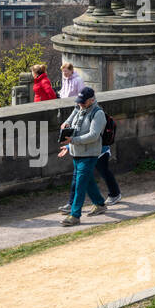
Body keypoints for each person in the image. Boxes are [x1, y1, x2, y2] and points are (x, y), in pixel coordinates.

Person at [56, 87, 108, 226]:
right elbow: (72, 123)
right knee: (87, 181)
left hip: (89, 154)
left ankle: (75, 215)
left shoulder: (98, 114)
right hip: (77, 152)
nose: (80, 104)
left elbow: (93, 135)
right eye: (79, 102)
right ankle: (100, 204)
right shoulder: (79, 109)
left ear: (92, 100)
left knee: (80, 184)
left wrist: (72, 141)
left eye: (83, 102)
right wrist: (66, 128)